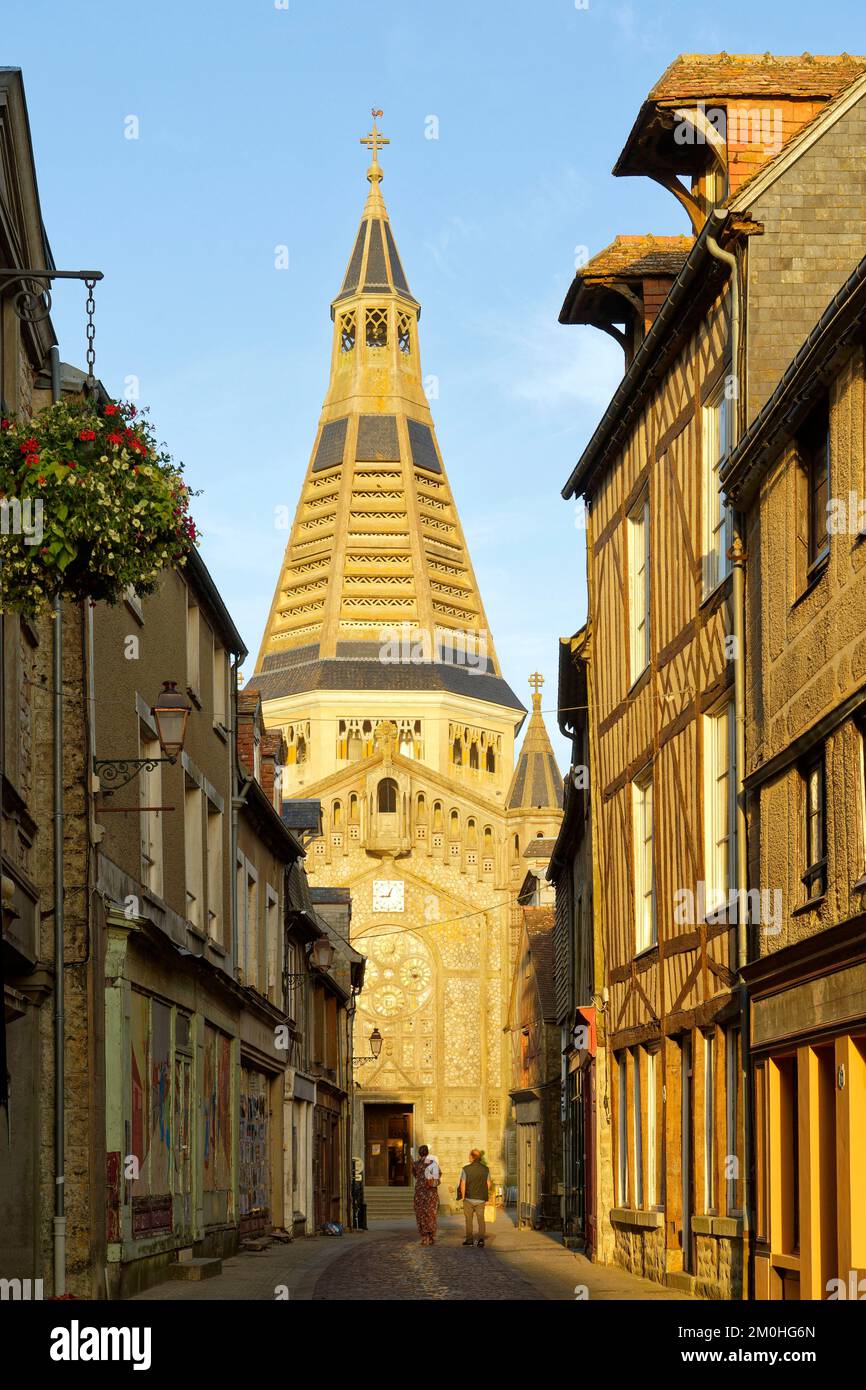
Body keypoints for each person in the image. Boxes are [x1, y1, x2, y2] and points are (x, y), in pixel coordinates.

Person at [458, 1147, 491, 1247]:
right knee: (481, 1220)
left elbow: (463, 1184)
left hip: (469, 1198)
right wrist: (484, 1192)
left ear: (473, 1157)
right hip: (481, 1199)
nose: (468, 1157)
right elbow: (488, 1183)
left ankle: (469, 1240)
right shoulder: (486, 1169)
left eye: (469, 1155)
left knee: (469, 1220)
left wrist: (463, 1196)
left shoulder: (466, 1169)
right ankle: (481, 1240)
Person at [412, 1144, 440, 1246]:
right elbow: (438, 1176)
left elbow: (415, 1175)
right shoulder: (433, 1163)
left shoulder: (415, 1164)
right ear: (427, 1153)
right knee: (431, 1214)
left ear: (419, 1153)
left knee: (421, 1214)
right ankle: (431, 1237)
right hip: (431, 1192)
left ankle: (424, 1237)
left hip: (420, 1192)